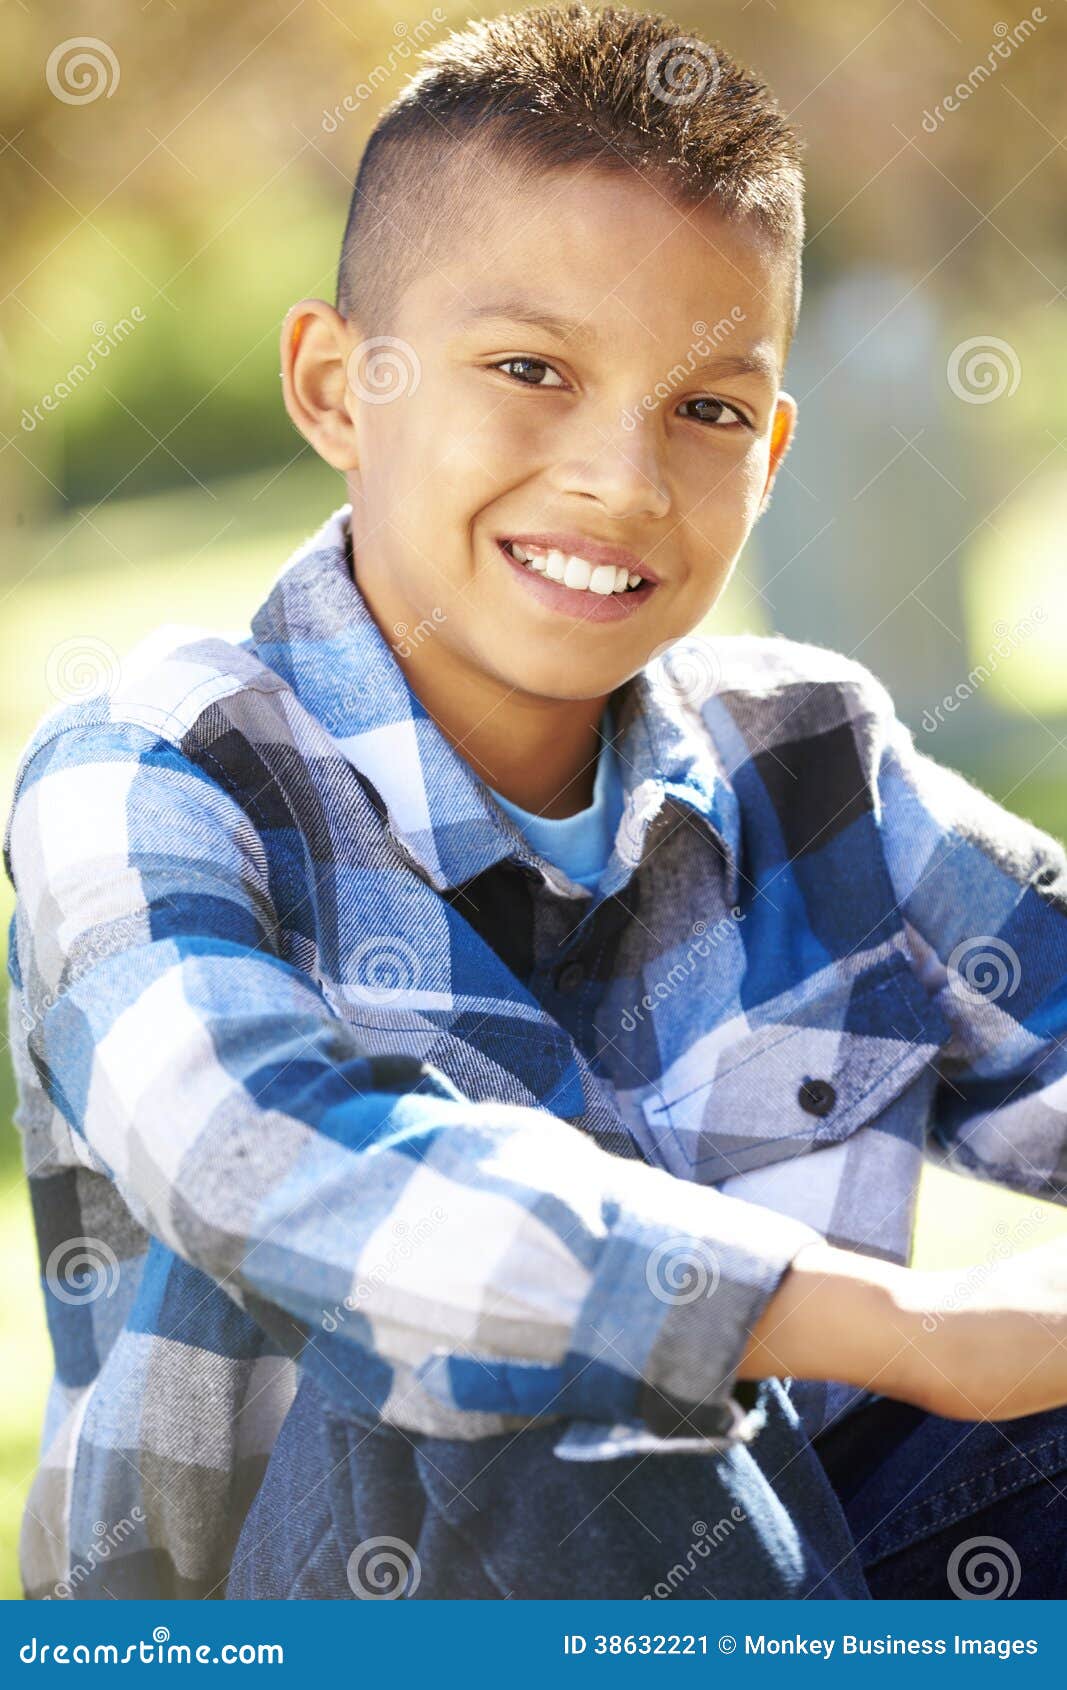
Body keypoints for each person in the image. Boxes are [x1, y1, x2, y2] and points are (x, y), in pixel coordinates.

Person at [7, 4, 1067, 1603]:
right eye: (530, 370)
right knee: (525, 1344)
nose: (622, 479)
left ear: (771, 452)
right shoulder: (152, 769)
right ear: (336, 386)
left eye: (707, 409)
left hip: (797, 1588)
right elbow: (253, 1153)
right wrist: (906, 1327)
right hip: (326, 1628)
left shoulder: (813, 760)